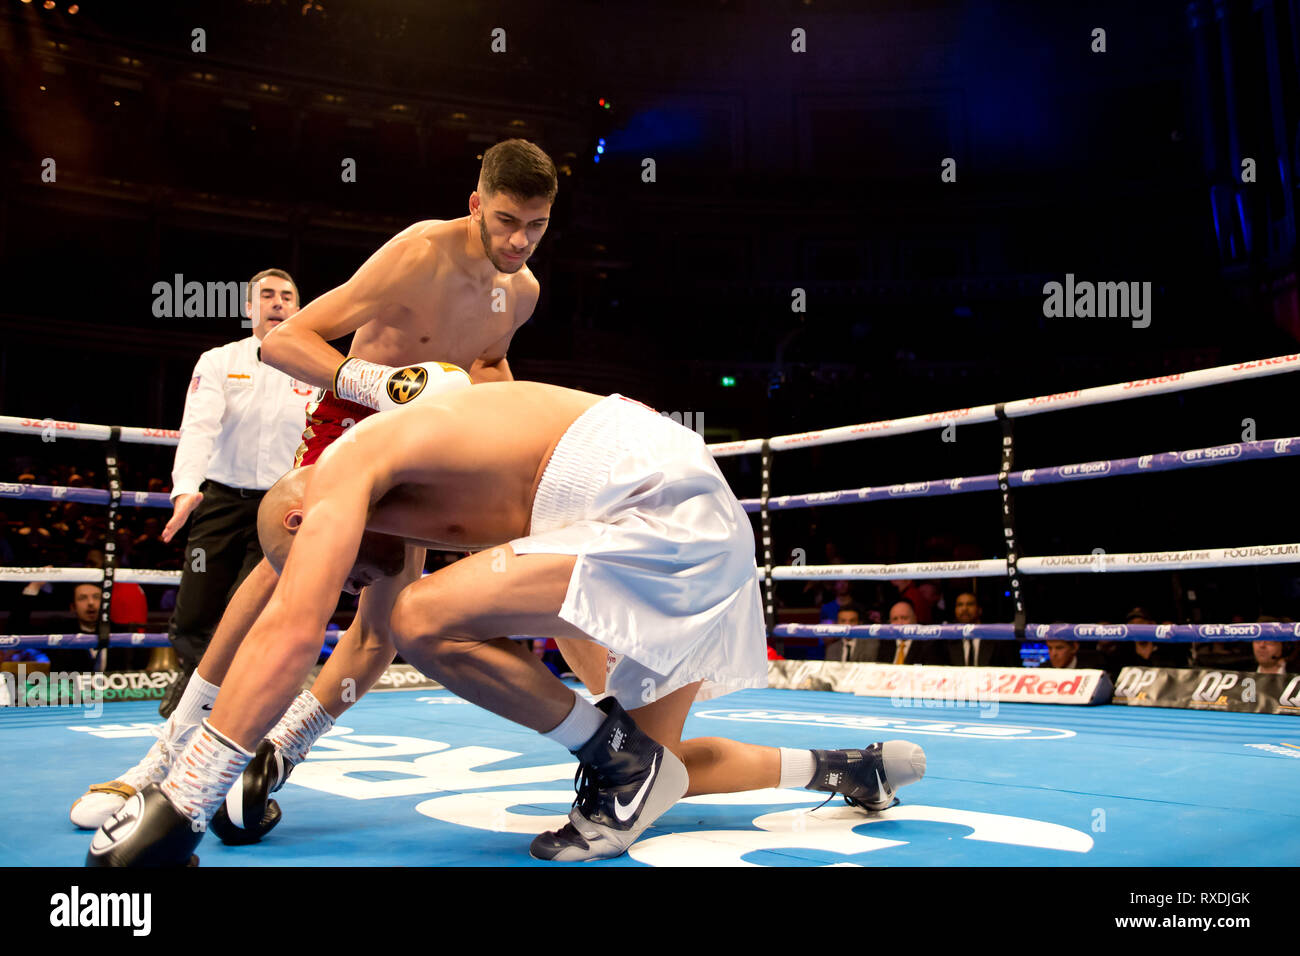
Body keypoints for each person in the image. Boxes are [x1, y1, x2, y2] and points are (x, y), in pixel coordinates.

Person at [85, 383, 927, 866]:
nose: (358, 577)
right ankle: (844, 771)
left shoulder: (342, 470)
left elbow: (296, 628)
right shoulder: (406, 505)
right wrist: (285, 744)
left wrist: (183, 795)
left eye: (342, 565)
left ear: (303, 519)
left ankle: (615, 757)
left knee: (440, 625)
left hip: (647, 501)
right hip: (670, 523)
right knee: (650, 771)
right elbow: (371, 641)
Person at [71, 139, 554, 830]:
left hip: (426, 439)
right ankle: (162, 759)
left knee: (385, 621)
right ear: (476, 203)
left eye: (535, 226)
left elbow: (488, 362)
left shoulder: (524, 292)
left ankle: (280, 750)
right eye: (507, 220)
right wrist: (378, 383)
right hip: (353, 417)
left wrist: (500, 418)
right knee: (283, 575)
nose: (518, 240)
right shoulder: (419, 253)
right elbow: (284, 341)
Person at [154, 268, 313, 716]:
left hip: (282, 508)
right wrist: (185, 488)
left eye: (287, 295)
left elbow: (329, 440)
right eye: (267, 295)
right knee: (193, 612)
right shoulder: (219, 360)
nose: (277, 302)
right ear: (249, 308)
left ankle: (228, 700)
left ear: (298, 308)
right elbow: (198, 427)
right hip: (220, 498)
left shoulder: (315, 365)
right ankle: (192, 676)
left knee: (248, 611)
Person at [940, 591, 1020, 667]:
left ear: (979, 610)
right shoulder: (946, 641)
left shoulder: (997, 640)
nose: (964, 609)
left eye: (970, 604)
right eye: (960, 605)